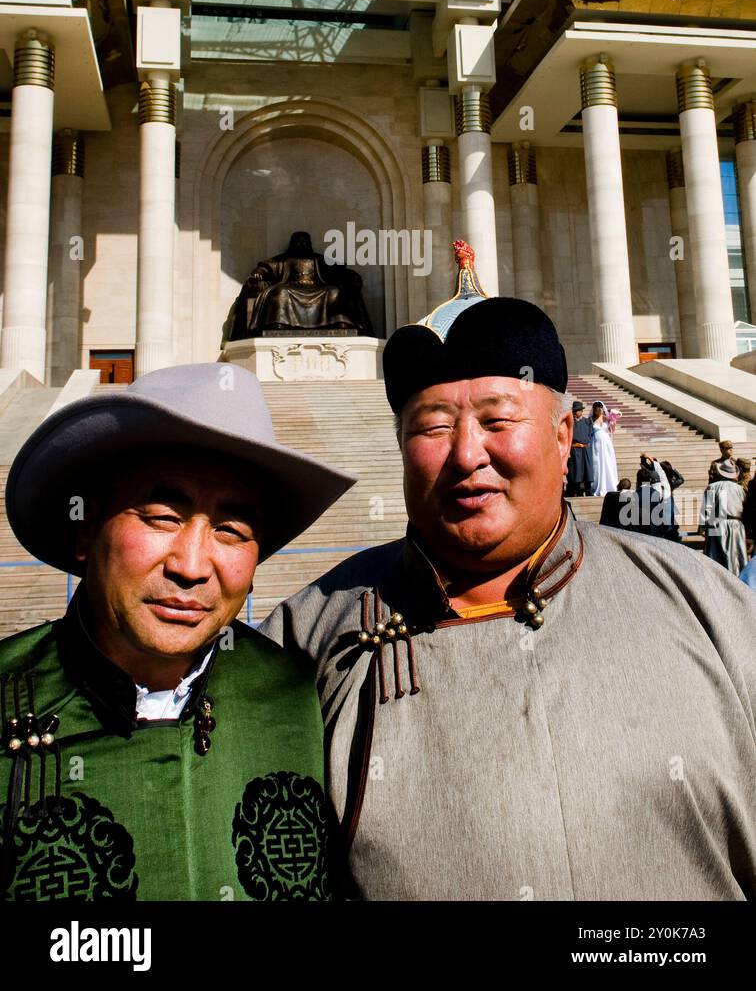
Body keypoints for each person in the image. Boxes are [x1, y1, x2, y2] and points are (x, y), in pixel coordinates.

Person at [260, 290, 756, 902]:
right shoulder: (300, 644)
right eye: (433, 427)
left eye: (498, 421)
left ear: (563, 433)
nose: (468, 455)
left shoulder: (710, 610)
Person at [0, 363, 355, 901]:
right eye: (162, 517)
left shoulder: (300, 697)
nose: (191, 565)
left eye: (231, 530)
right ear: (85, 531)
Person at [700, 460, 749, 576]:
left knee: (716, 558)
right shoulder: (740, 489)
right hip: (737, 525)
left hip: (717, 523)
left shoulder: (712, 487)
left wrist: (703, 528)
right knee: (736, 558)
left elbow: (707, 509)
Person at [590, 401, 619, 496]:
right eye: (597, 408)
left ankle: (610, 484)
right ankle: (596, 485)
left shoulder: (607, 419)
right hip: (596, 444)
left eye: (600, 408)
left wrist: (613, 418)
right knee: (597, 463)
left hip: (606, 443)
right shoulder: (591, 420)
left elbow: (612, 429)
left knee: (607, 462)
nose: (599, 410)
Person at [566, 400, 594, 496]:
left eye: (577, 410)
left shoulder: (587, 421)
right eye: (574, 410)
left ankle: (588, 489)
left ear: (581, 411)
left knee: (588, 469)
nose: (576, 412)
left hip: (586, 449)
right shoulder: (570, 422)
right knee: (576, 470)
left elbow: (590, 434)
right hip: (575, 449)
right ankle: (576, 490)